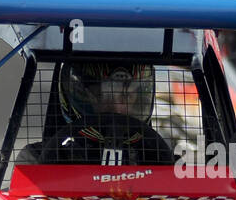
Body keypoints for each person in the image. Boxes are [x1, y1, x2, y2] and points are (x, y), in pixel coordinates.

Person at [21, 61, 172, 165]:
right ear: (84, 98)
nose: (117, 110)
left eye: (126, 97)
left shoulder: (160, 159)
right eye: (102, 96)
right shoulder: (38, 158)